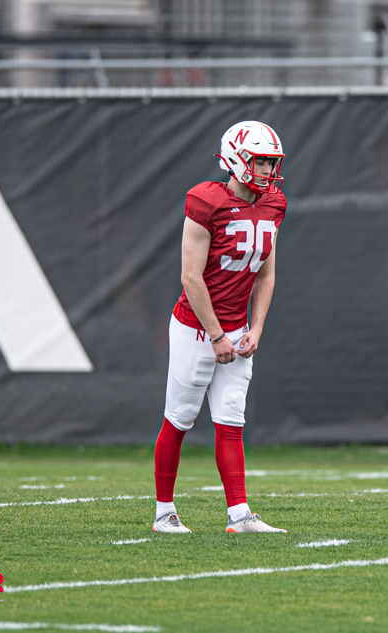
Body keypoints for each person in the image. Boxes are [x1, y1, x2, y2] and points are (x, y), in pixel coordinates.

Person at [152, 121, 288, 534]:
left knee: (231, 419)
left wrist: (256, 328)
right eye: (259, 161)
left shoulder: (274, 204)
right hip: (196, 329)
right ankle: (163, 513)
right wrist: (215, 336)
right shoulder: (205, 201)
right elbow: (190, 277)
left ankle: (239, 515)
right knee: (180, 418)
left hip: (237, 328)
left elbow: (266, 274)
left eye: (270, 162)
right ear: (235, 159)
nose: (266, 170)